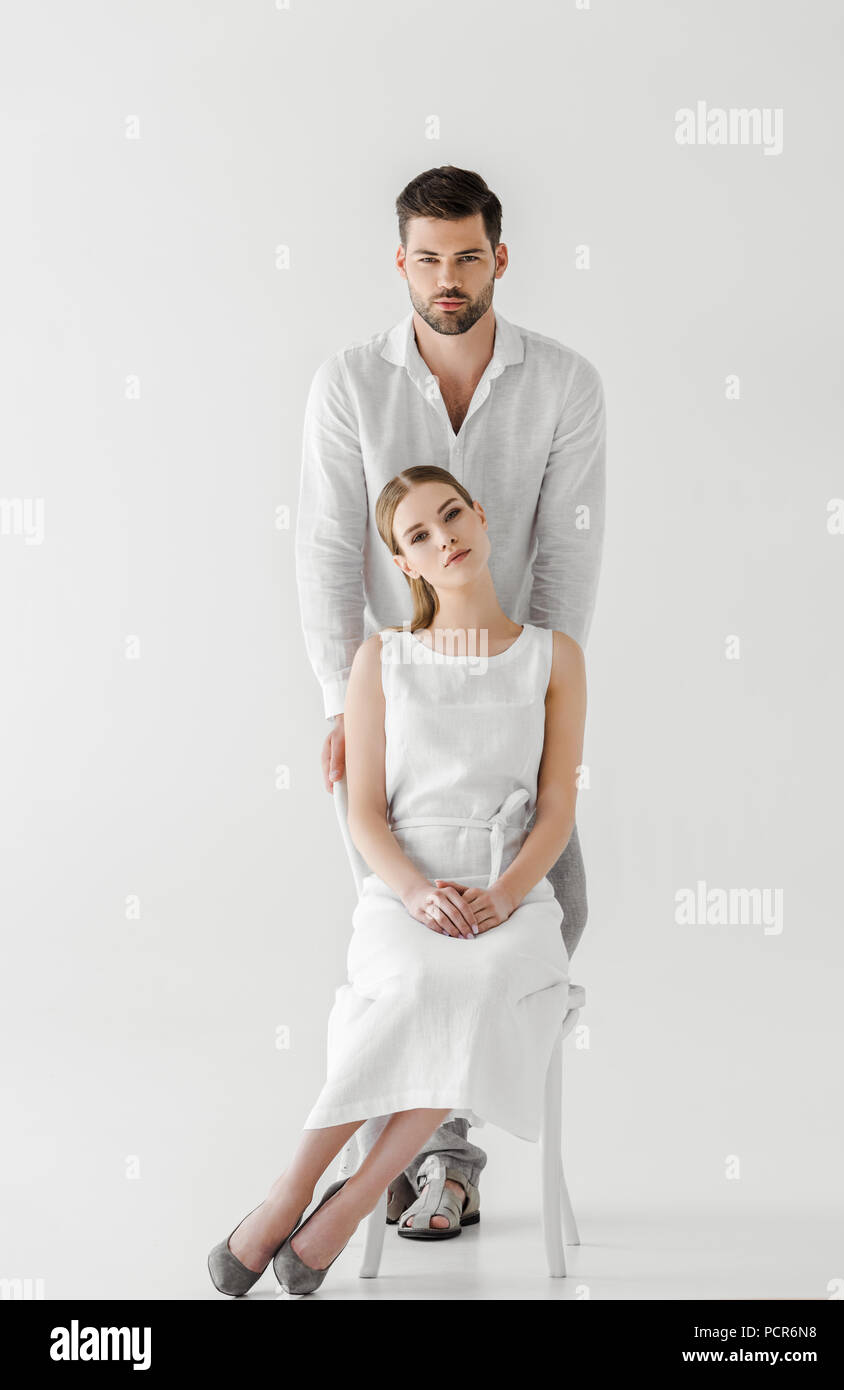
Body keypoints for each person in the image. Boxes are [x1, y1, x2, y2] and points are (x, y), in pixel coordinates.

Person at [295, 164, 605, 1233]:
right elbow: (331, 552)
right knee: (412, 941)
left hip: (519, 702)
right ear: (401, 265)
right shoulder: (349, 383)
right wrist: (349, 700)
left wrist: (544, 694)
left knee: (550, 914)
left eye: (467, 256)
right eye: (427, 260)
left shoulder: (563, 383)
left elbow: (567, 558)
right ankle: (437, 1160)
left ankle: (380, 1174)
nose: (447, 279)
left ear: (499, 258)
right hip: (402, 704)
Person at [208, 466, 587, 1296]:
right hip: (403, 885)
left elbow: (557, 806)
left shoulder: (553, 657)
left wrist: (508, 892)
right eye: (418, 534)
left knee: (485, 984)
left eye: (452, 515)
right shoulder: (382, 657)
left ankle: (351, 1199)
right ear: (404, 563)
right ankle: (295, 1189)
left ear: (483, 518)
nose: (444, 537)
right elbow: (366, 815)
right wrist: (415, 893)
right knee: (415, 981)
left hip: (509, 888)